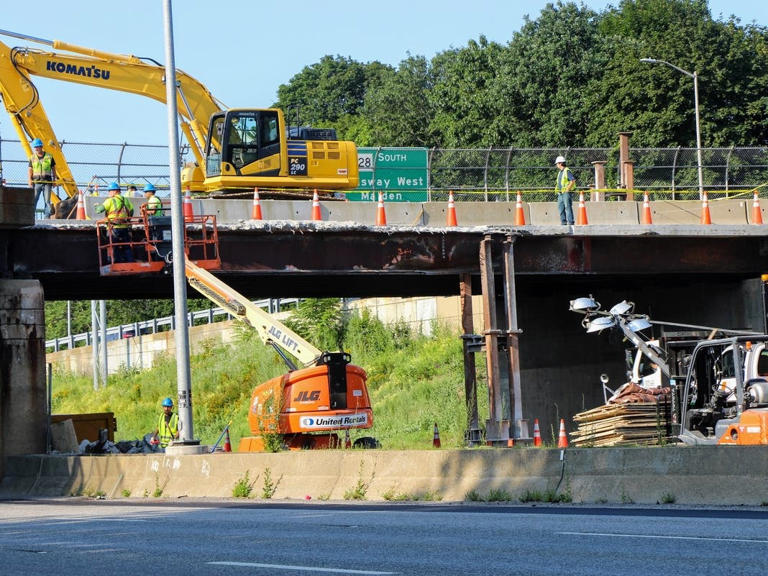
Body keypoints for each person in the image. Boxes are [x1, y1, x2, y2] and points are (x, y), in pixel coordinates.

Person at [94, 182, 134, 263]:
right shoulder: (126, 200)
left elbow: (99, 210)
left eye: (109, 191)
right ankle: (130, 262)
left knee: (113, 246)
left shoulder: (110, 200)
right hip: (125, 227)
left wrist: (96, 206)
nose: (109, 193)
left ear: (114, 191)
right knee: (126, 246)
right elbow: (132, 210)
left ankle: (115, 262)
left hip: (113, 228)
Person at [27, 138, 57, 218]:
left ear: (41, 146)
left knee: (47, 201)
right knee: (34, 200)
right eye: (35, 147)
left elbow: (54, 169)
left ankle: (46, 217)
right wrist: (30, 180)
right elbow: (30, 169)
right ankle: (31, 216)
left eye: (38, 147)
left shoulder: (49, 156)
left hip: (47, 182)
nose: (36, 149)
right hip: (36, 182)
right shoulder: (32, 157)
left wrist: (54, 180)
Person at [554, 155, 575, 225]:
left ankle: (571, 222)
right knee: (561, 209)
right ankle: (563, 223)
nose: (556, 165)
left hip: (566, 193)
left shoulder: (567, 171)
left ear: (560, 163)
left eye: (557, 164)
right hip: (560, 193)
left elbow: (573, 180)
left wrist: (567, 189)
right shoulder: (560, 172)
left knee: (568, 207)